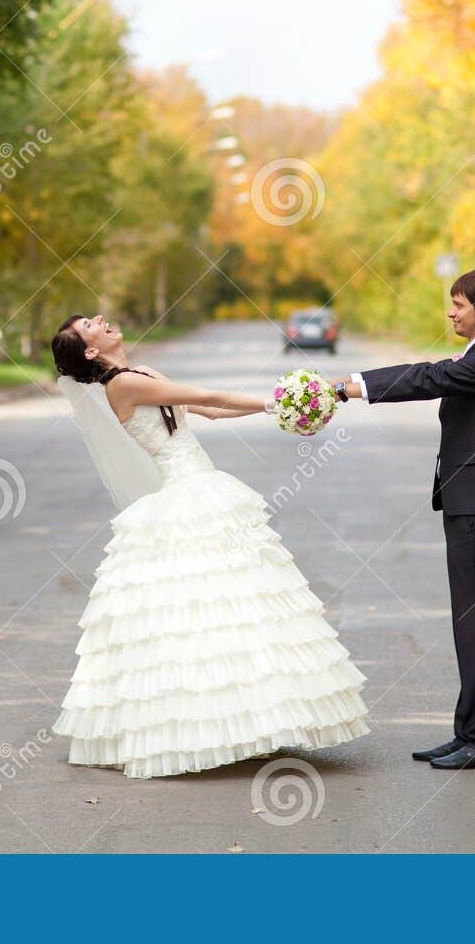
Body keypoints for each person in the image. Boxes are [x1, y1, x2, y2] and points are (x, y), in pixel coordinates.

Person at [48, 313, 370, 778]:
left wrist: (280, 411)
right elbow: (206, 395)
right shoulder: (121, 385)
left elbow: (210, 412)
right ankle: (202, 726)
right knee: (204, 613)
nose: (101, 319)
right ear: (91, 351)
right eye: (89, 325)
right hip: (187, 490)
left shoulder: (143, 374)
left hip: (204, 483)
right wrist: (278, 401)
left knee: (242, 607)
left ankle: (257, 720)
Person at [327, 267, 475, 770]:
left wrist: (355, 387)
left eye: (458, 304)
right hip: (467, 496)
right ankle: (471, 733)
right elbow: (439, 375)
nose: (450, 312)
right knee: (468, 617)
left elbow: (429, 377)